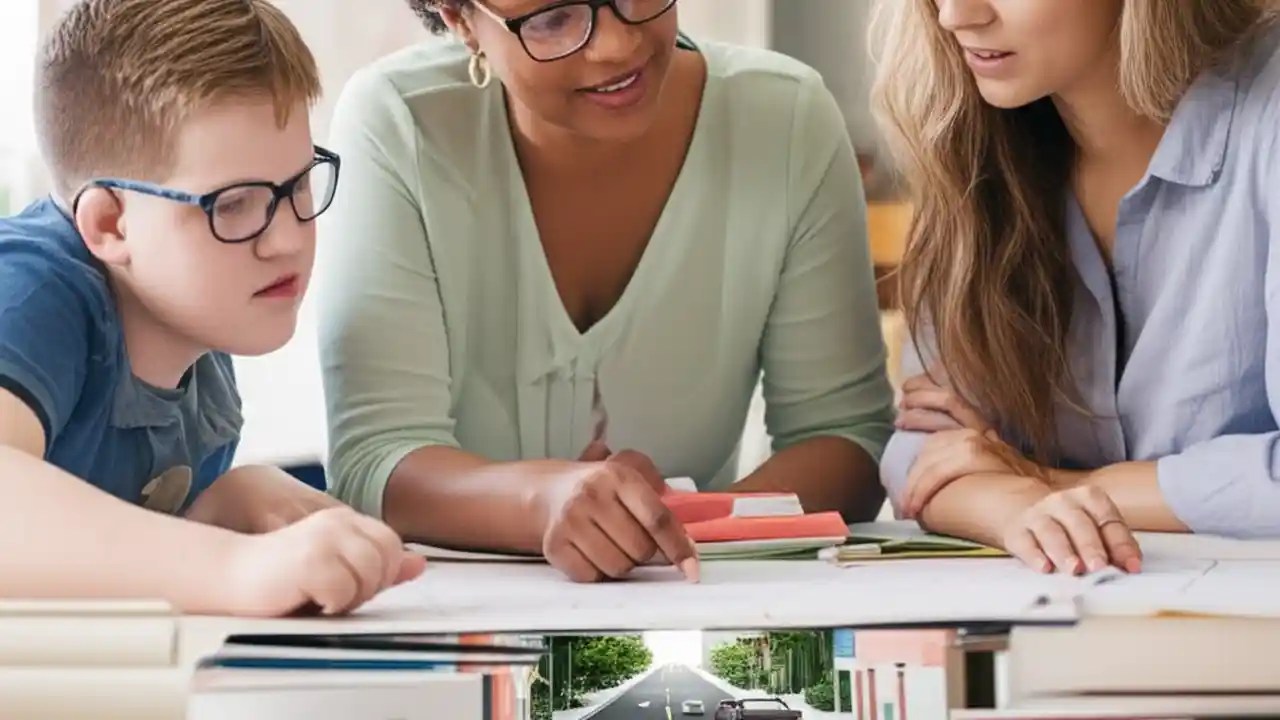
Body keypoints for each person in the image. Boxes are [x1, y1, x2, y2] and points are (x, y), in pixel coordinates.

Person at [317, 0, 895, 583]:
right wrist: (541, 500)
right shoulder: (396, 123)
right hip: (453, 626)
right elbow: (375, 460)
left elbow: (848, 438)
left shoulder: (786, 120)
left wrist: (679, 525)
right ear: (461, 20)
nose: (618, 45)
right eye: (552, 19)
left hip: (696, 603)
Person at [0, 0, 424, 617]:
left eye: (298, 185)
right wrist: (230, 566)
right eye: (232, 205)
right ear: (111, 223)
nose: (287, 239)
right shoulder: (33, 287)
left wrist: (217, 507)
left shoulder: (198, 329)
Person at [872, 0, 1280, 575]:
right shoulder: (973, 144)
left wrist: (1052, 482)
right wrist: (1012, 506)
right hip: (1063, 630)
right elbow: (927, 452)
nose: (956, 16)